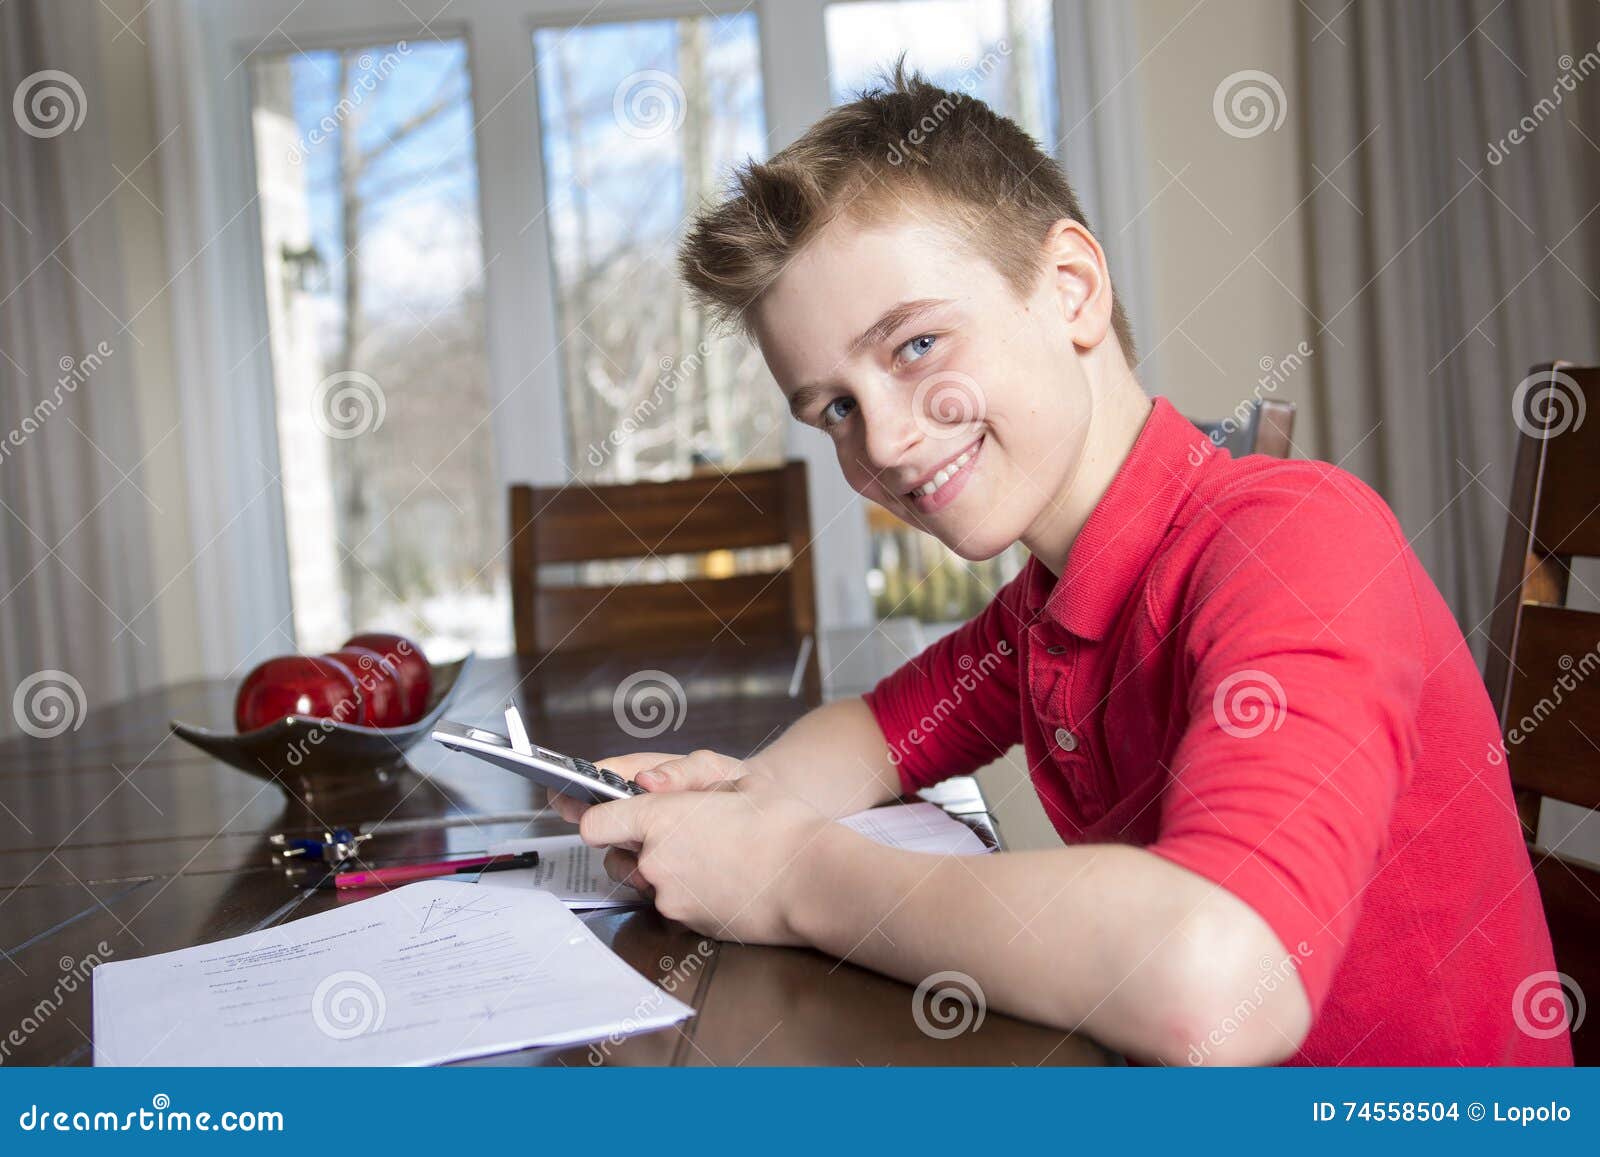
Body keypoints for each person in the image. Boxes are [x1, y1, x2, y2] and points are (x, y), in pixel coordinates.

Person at [553, 67, 1570, 1067]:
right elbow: (875, 732)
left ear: (1070, 290)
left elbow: (1223, 976)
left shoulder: (1295, 538)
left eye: (912, 346)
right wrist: (734, 805)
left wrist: (789, 874)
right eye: (836, 408)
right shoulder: (1047, 606)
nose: (888, 443)